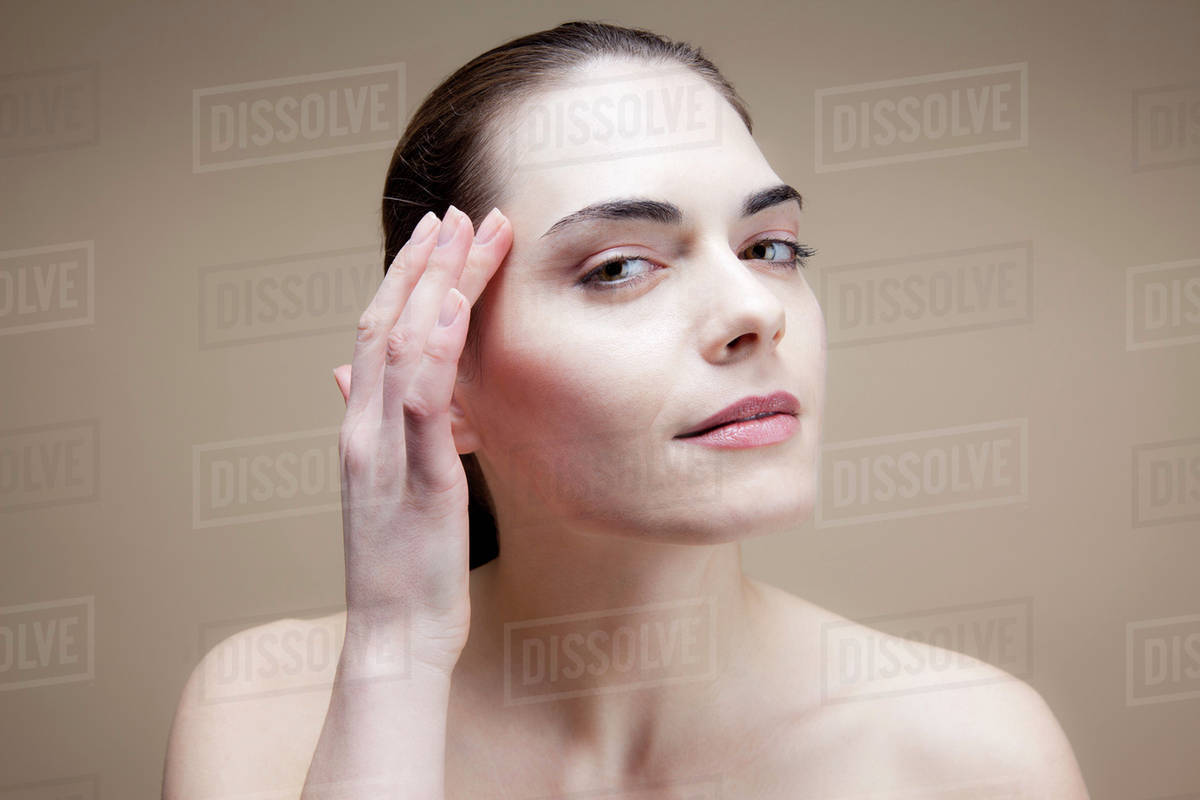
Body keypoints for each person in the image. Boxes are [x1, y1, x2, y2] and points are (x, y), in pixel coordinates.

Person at [163, 20, 1090, 800]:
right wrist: (394, 657)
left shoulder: (971, 756)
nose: (755, 311)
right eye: (620, 267)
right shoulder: (263, 720)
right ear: (443, 380)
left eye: (771, 247)